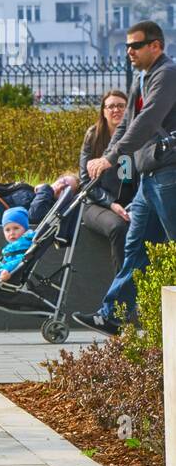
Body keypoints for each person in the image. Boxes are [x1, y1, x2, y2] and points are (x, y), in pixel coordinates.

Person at [76, 21, 176, 335]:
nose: (129, 51)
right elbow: (126, 124)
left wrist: (111, 157)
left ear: (155, 46)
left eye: (135, 45)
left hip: (169, 172)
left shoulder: (167, 74)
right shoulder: (142, 78)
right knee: (136, 247)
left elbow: (148, 119)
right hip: (149, 176)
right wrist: (108, 156)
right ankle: (114, 316)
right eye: (127, 46)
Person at [77, 90, 137, 275]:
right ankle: (123, 286)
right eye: (111, 106)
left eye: (121, 106)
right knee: (119, 227)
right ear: (103, 111)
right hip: (97, 203)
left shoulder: (136, 135)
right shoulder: (93, 136)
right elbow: (85, 182)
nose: (116, 110)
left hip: (130, 203)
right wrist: (111, 204)